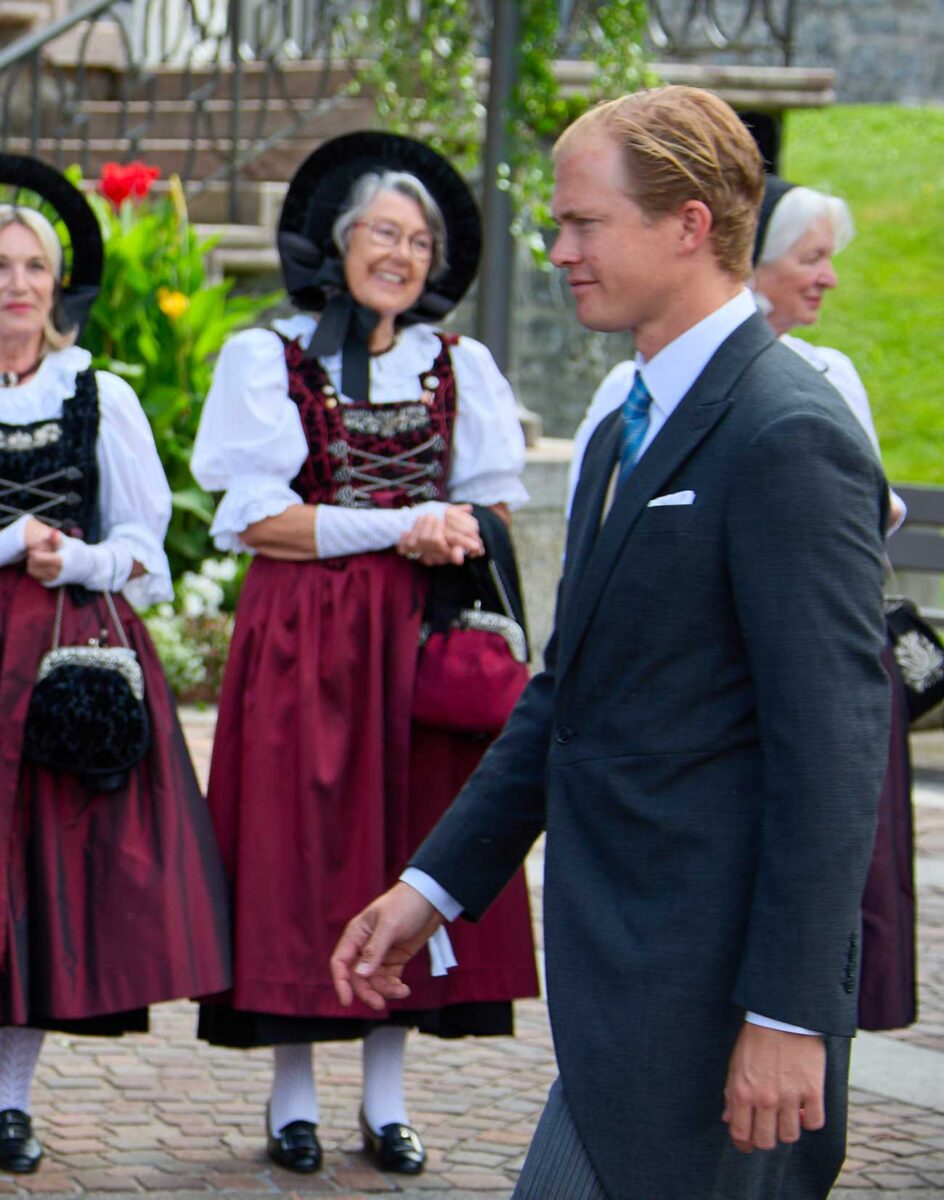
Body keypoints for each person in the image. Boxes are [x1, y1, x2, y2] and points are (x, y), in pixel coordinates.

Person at [330, 86, 891, 1200]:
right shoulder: (621, 425)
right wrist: (432, 885)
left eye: (583, 223)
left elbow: (833, 753)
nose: (557, 249)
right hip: (624, 1003)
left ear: (687, 225)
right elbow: (565, 696)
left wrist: (786, 1014)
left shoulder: (787, 435)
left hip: (725, 1011)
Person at [191, 132, 538, 1176]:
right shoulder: (271, 356)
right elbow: (256, 518)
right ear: (339, 244)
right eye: (384, 232)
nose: (402, 253)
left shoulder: (458, 367)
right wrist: (400, 524)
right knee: (298, 852)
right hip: (303, 640)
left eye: (420, 240)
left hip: (418, 644)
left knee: (414, 849)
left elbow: (491, 505)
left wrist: (453, 525)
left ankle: (383, 1101)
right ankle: (291, 1096)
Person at [0, 155, 230, 1175]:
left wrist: (81, 556)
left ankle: (7, 1099)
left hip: (60, 660)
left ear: (57, 285)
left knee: (39, 883)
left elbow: (148, 548)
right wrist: (16, 543)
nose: (13, 284)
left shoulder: (102, 392)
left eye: (30, 267)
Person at [752, 175, 916, 1032]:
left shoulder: (833, 372)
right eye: (811, 258)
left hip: (834, 650)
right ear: (757, 264)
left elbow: (871, 524)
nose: (829, 277)